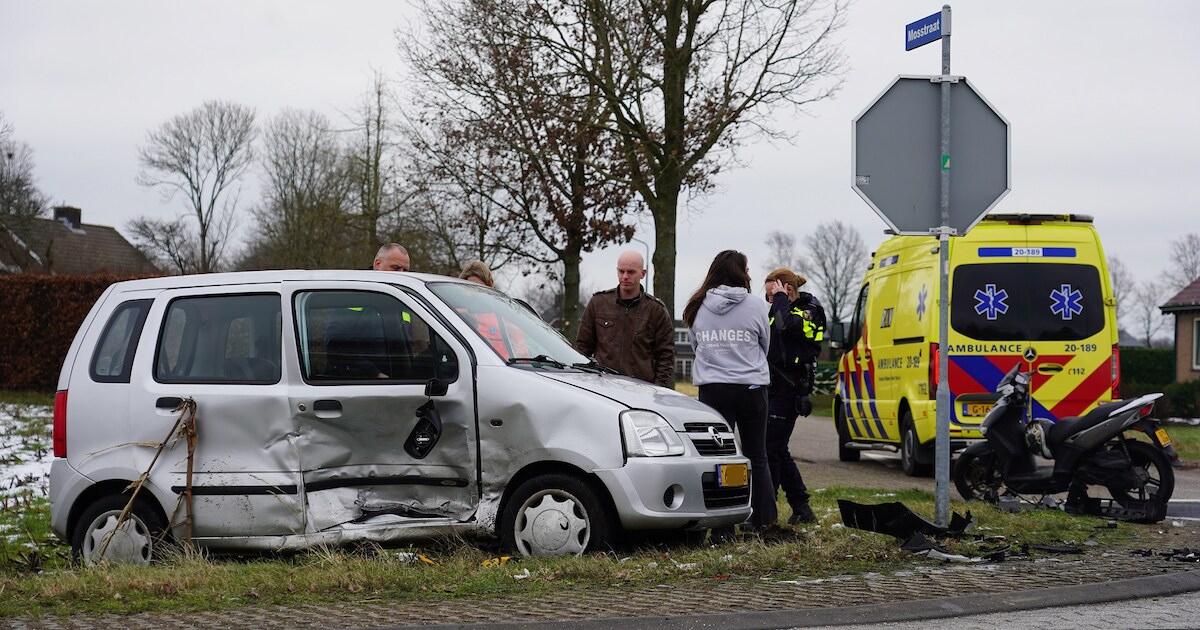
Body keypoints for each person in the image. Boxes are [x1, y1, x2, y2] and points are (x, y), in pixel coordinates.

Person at [683, 250, 776, 532]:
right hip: (751, 388)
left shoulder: (697, 305)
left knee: (719, 458)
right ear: (740, 273)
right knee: (756, 455)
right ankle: (764, 521)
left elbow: (696, 347)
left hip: (713, 390)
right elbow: (765, 345)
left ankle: (722, 527)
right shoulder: (756, 305)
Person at [763, 268, 827, 525]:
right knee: (777, 447)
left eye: (772, 294)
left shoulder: (810, 310)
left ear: (786, 289)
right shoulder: (778, 309)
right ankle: (801, 506)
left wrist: (779, 299)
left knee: (770, 447)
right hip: (772, 385)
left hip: (791, 387)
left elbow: (786, 326)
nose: (769, 300)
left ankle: (766, 511)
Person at [576, 250, 674, 387]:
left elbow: (665, 356)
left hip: (641, 388)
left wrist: (657, 388)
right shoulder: (599, 304)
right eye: (621, 271)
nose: (625, 276)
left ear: (643, 274)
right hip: (602, 386)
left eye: (631, 272)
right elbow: (582, 348)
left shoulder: (656, 310)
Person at [457, 259, 529, 359]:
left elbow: (522, 355)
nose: (473, 293)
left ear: (490, 285)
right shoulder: (456, 314)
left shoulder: (504, 317)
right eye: (468, 287)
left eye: (478, 287)